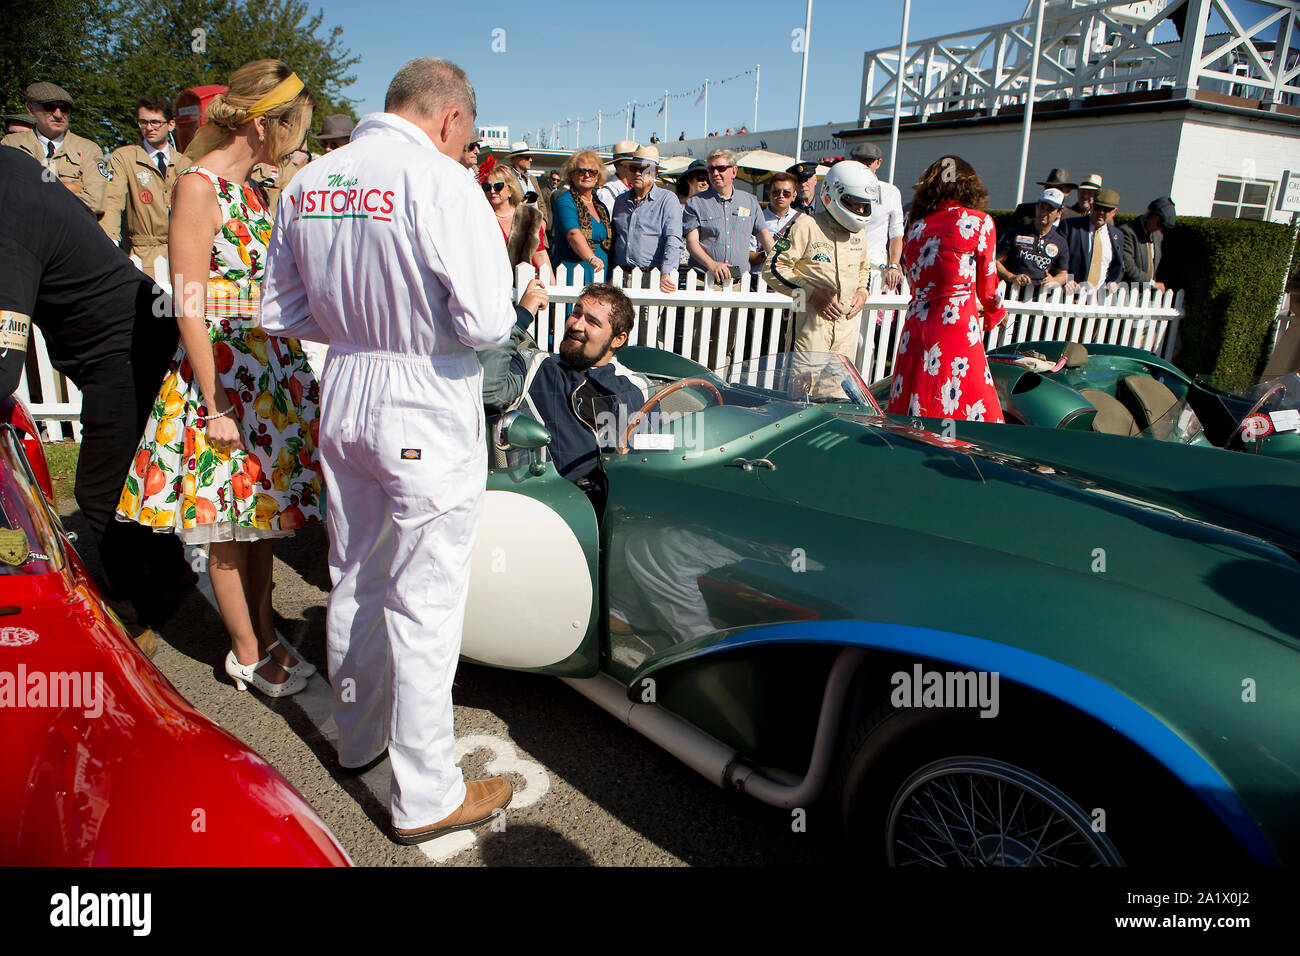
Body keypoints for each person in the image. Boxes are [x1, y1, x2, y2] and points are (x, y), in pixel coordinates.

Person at [261, 56, 517, 844]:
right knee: (426, 600)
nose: (467, 150)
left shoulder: (310, 184)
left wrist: (359, 323)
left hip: (347, 386)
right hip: (423, 394)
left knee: (358, 573)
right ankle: (425, 793)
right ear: (450, 119)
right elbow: (486, 323)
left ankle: (357, 734)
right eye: (467, 136)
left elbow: (283, 309)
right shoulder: (442, 184)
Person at [116, 59, 324, 697]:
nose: (296, 139)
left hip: (268, 372)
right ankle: (244, 652)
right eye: (292, 126)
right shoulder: (198, 187)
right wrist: (214, 399)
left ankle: (263, 632)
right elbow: (188, 301)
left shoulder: (255, 192)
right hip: (226, 376)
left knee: (259, 518)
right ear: (265, 124)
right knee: (226, 526)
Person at [0, 147, 192, 659]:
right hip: (141, 326)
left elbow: (3, 365)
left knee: (101, 491)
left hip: (125, 345)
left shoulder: (6, 209)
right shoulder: (17, 165)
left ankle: (134, 620)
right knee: (137, 470)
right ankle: (172, 574)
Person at [481, 282, 650, 494]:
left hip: (610, 510)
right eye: (576, 314)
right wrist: (521, 316)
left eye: (592, 322)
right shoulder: (536, 365)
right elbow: (489, 392)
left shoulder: (638, 388)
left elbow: (648, 461)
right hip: (545, 503)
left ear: (618, 339)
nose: (577, 325)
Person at [886, 156, 1006, 423]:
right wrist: (996, 314)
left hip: (916, 326)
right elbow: (988, 285)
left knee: (916, 398)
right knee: (964, 400)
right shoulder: (979, 222)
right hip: (954, 326)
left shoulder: (916, 228)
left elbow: (916, 282)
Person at [764, 161, 877, 360]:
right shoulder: (805, 224)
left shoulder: (859, 233)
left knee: (838, 389)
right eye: (854, 202)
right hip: (809, 328)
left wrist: (862, 291)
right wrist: (812, 293)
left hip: (846, 329)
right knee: (803, 388)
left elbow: (864, 268)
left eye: (864, 204)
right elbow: (773, 268)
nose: (860, 209)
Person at [102, 94, 193, 280]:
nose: (149, 128)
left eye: (155, 122)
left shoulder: (185, 163)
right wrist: (109, 241)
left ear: (170, 125)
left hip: (183, 252)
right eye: (143, 122)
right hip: (142, 253)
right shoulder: (124, 158)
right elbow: (112, 200)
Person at [2, 82, 109, 218]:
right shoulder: (11, 144)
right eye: (50, 107)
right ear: (30, 109)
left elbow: (95, 202)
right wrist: (71, 187)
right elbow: (7, 195)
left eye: (64, 109)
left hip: (69, 233)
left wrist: (34, 193)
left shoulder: (88, 149)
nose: (58, 115)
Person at [683, 148, 773, 282]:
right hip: (703, 280)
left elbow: (766, 238)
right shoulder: (695, 203)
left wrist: (781, 266)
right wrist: (713, 265)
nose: (715, 173)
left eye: (721, 168)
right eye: (711, 169)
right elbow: (691, 243)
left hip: (739, 282)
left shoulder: (750, 202)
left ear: (734, 171)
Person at [611, 145, 681, 293]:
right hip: (620, 276)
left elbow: (673, 240)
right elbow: (615, 237)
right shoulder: (620, 201)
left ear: (654, 173)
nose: (637, 173)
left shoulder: (667, 200)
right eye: (633, 169)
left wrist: (666, 273)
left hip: (651, 277)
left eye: (643, 169)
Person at [850, 142, 905, 293]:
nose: (863, 167)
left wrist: (894, 264)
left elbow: (896, 234)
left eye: (868, 162)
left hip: (876, 270)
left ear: (878, 163)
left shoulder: (890, 192)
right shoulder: (840, 187)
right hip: (846, 267)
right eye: (859, 162)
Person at [483, 162, 551, 280]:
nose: (492, 191)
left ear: (509, 190)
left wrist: (552, 289)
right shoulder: (482, 217)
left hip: (525, 283)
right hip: (492, 284)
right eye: (487, 187)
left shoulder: (528, 216)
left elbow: (540, 255)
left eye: (498, 186)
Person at [552, 148, 612, 282]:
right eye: (581, 171)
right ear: (572, 175)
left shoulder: (600, 206)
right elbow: (573, 234)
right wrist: (591, 258)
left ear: (598, 177)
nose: (587, 175)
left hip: (599, 275)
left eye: (592, 172)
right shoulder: (565, 201)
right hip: (573, 273)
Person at [995, 188, 1070, 289]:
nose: (1043, 212)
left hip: (1040, 299)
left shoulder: (1060, 242)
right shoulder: (1015, 233)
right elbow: (996, 262)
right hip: (1010, 293)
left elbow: (1063, 274)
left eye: (1050, 209)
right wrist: (1012, 277)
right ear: (1036, 207)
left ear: (1059, 213)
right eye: (1041, 207)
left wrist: (1054, 280)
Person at [1059, 188, 1124, 288]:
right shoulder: (1070, 227)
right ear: (1092, 206)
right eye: (1098, 207)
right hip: (1070, 293)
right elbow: (1057, 258)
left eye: (1106, 209)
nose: (1101, 212)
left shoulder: (1117, 235)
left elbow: (1117, 265)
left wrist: (1113, 282)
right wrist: (1066, 280)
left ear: (1114, 212)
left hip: (1098, 298)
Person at [1120, 197, 1176, 291]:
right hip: (1127, 293)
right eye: (1159, 224)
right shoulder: (1128, 232)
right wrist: (1152, 283)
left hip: (1146, 296)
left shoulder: (1157, 236)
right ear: (1149, 215)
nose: (1159, 229)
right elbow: (1128, 267)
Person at [596, 140, 638, 216]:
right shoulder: (606, 194)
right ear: (624, 165)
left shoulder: (636, 189)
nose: (639, 169)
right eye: (634, 165)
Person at [761, 172, 801, 237]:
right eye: (776, 192)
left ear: (793, 196)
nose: (781, 196)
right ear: (769, 194)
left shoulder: (801, 219)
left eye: (786, 193)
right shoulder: (758, 219)